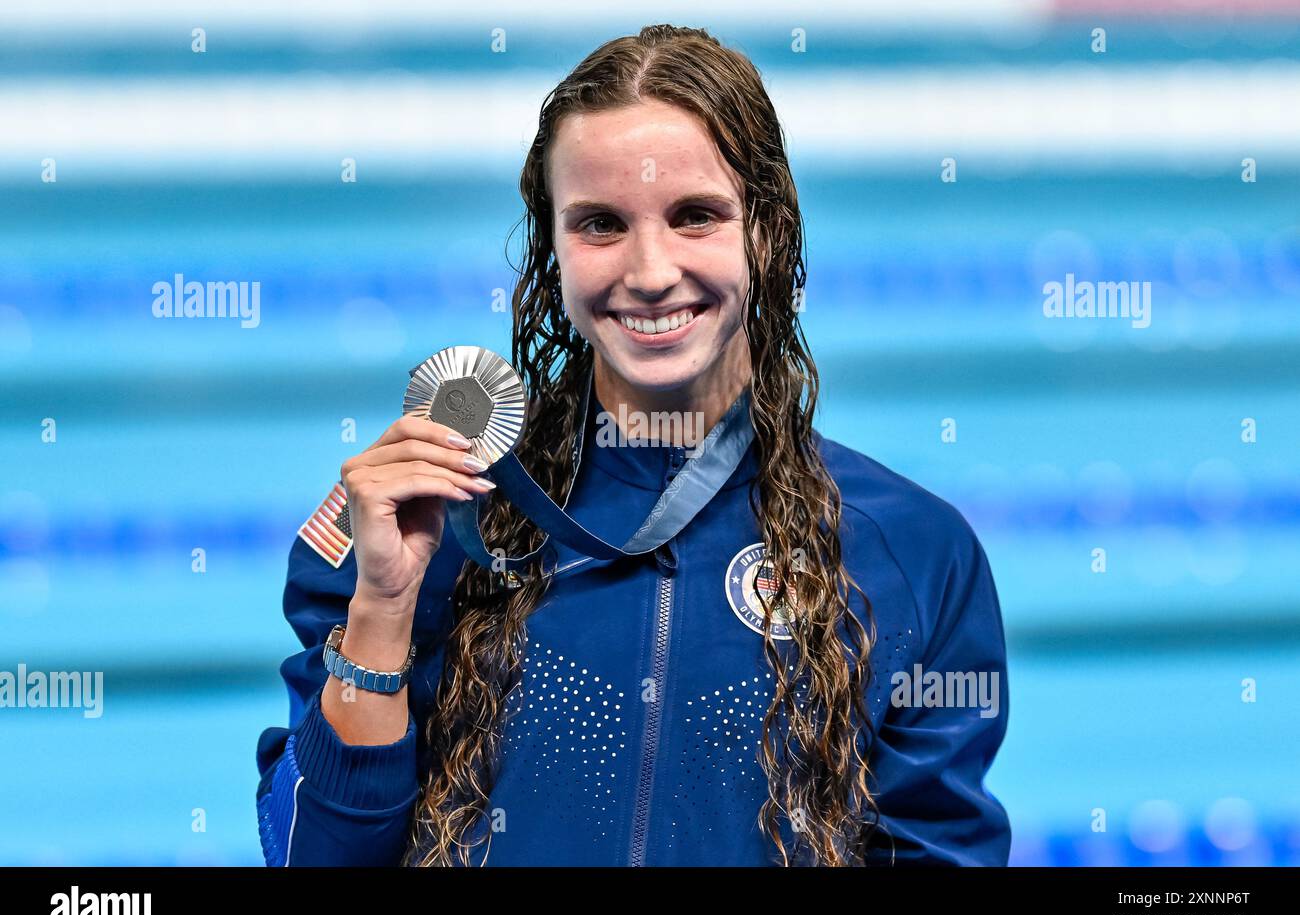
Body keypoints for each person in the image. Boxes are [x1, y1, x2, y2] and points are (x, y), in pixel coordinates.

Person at [255, 24, 1011, 867]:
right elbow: (307, 854)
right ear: (552, 249)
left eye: (695, 217)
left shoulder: (911, 550)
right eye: (601, 225)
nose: (650, 272)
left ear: (767, 232)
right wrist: (384, 612)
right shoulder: (419, 518)